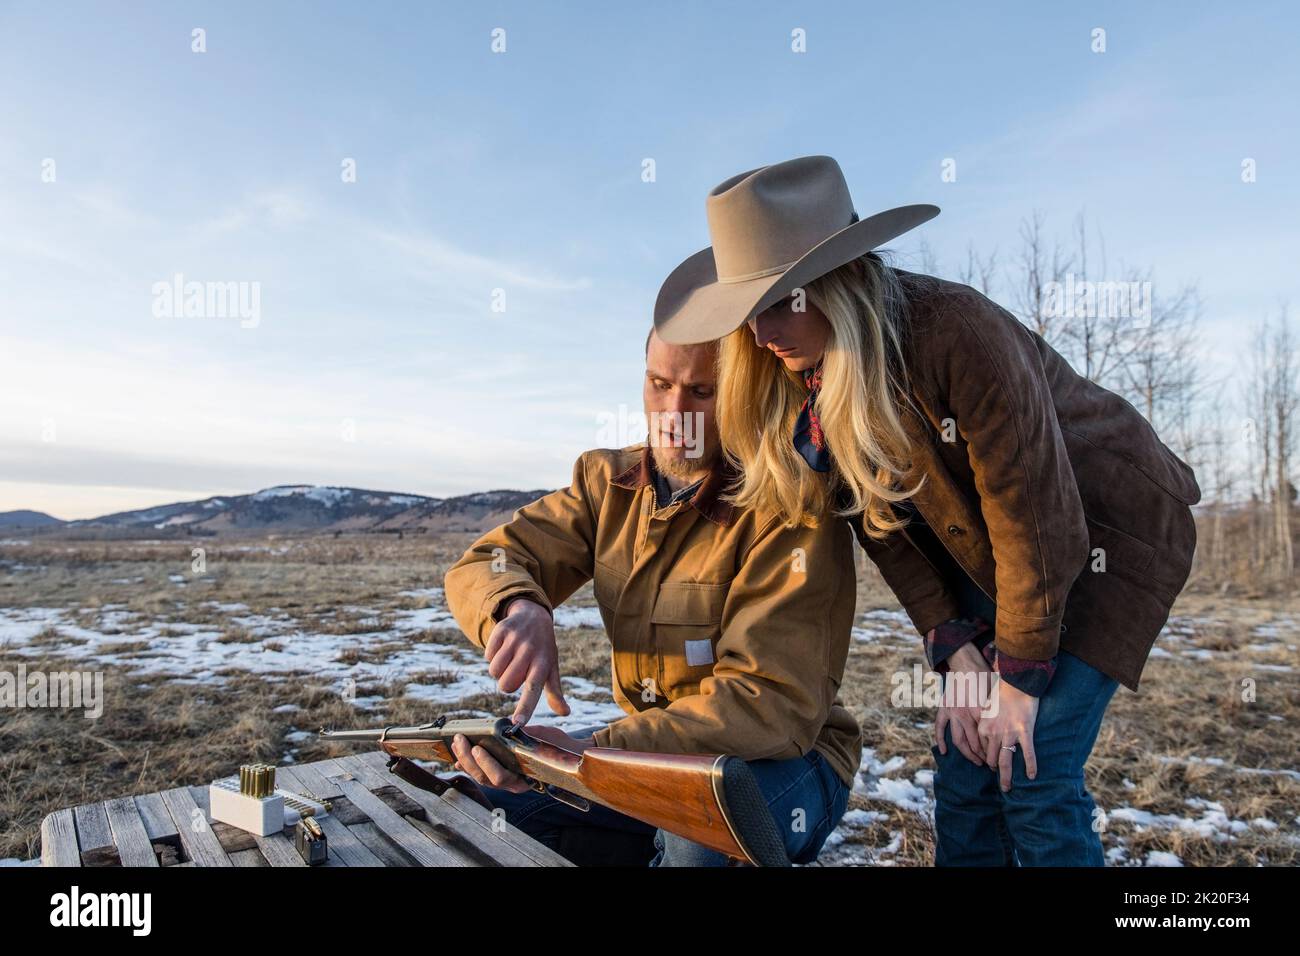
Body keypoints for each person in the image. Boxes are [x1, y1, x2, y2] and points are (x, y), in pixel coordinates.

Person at [653, 155, 1200, 866]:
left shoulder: (955, 333)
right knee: (966, 766)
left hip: (1103, 537)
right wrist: (955, 642)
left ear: (836, 280)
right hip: (993, 551)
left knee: (1029, 772)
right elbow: (887, 532)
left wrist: (1019, 676)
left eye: (777, 303)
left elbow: (1037, 520)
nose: (759, 336)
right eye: (747, 314)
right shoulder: (809, 383)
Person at [442, 327, 861, 866]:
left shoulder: (788, 503)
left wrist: (600, 751)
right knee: (490, 810)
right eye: (660, 384)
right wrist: (518, 604)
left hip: (790, 760)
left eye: (703, 393)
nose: (674, 411)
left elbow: (769, 703)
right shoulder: (606, 482)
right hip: (643, 755)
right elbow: (488, 561)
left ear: (744, 389)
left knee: (695, 828)